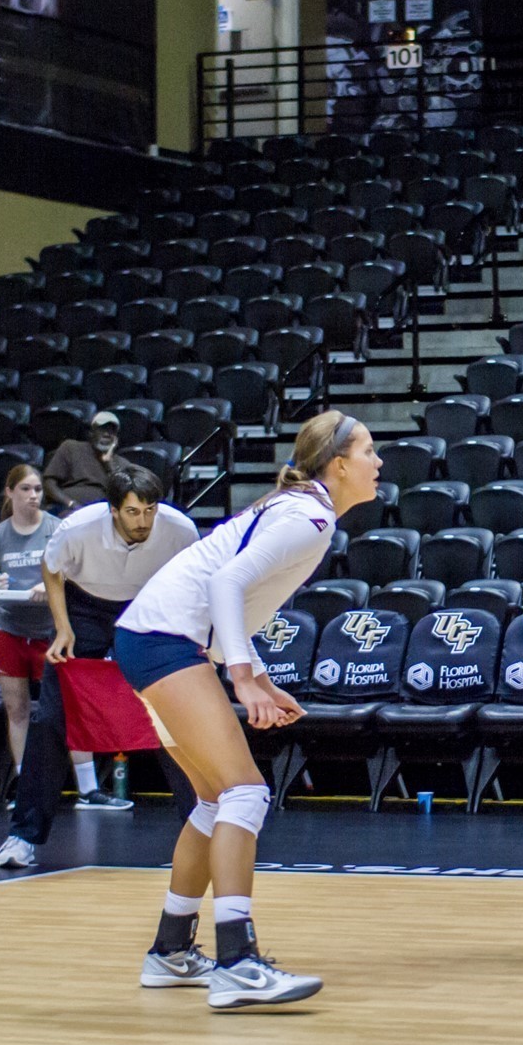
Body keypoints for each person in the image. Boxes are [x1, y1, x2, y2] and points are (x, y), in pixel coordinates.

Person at [112, 410, 378, 1009]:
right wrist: (242, 678)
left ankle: (170, 951)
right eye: (369, 451)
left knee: (215, 799)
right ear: (338, 465)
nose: (378, 462)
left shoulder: (301, 509)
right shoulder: (308, 517)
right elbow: (225, 587)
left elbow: (233, 597)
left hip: (152, 638)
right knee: (245, 792)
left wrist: (257, 673)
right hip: (165, 641)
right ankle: (236, 961)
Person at [0, 464, 197, 870]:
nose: (144, 521)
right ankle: (23, 836)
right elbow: (51, 570)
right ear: (113, 510)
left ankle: (202, 825)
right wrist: (63, 627)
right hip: (84, 606)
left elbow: (193, 578)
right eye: (133, 512)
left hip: (146, 606)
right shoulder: (78, 527)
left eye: (150, 510)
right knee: (52, 717)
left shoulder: (179, 529)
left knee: (171, 715)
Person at [0, 463, 94, 804]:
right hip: (9, 629)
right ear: (10, 493)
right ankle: (26, 788)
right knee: (18, 710)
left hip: (51, 630)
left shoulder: (57, 528)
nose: (33, 496)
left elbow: (76, 573)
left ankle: (89, 789)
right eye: (26, 489)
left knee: (71, 706)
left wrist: (51, 583)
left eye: (38, 490)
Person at [43, 411, 130, 511]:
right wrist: (71, 503)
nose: (107, 434)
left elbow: (124, 496)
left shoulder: (123, 463)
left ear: (116, 438)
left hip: (102, 514)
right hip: (68, 509)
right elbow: (48, 483)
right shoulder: (71, 448)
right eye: (102, 429)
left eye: (111, 431)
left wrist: (109, 463)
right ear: (91, 433)